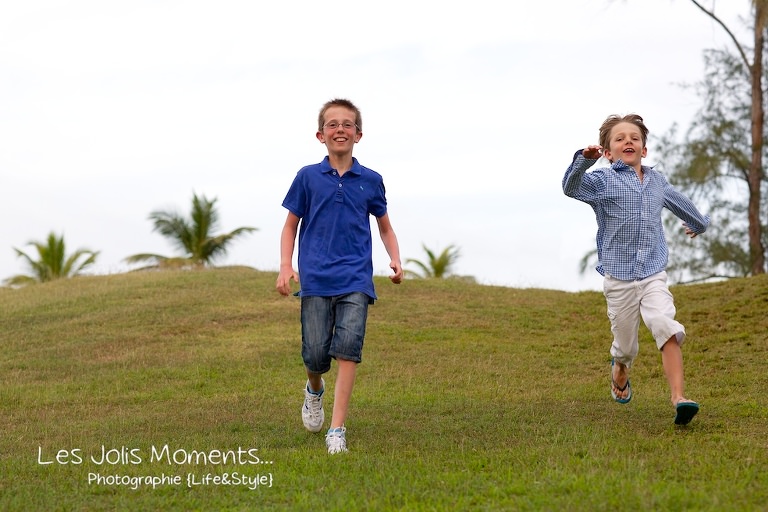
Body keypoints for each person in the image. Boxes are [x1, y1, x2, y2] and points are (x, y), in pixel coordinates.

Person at [562, 113, 710, 426]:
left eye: (634, 138)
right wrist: (583, 161)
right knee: (626, 345)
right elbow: (571, 188)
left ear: (644, 149)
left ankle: (679, 398)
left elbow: (679, 202)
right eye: (620, 139)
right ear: (608, 152)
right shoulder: (602, 182)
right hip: (619, 279)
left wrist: (699, 223)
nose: (628, 141)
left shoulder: (657, 182)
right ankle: (620, 367)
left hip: (653, 272)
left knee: (665, 325)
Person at [276, 98, 404, 454]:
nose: (340, 130)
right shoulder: (307, 177)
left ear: (358, 135)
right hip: (316, 279)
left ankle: (336, 430)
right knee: (315, 355)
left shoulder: (371, 181)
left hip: (356, 279)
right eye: (332, 124)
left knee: (348, 349)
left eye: (347, 124)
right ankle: (314, 389)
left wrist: (395, 259)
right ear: (321, 135)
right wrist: (286, 265)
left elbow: (385, 227)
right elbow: (290, 226)